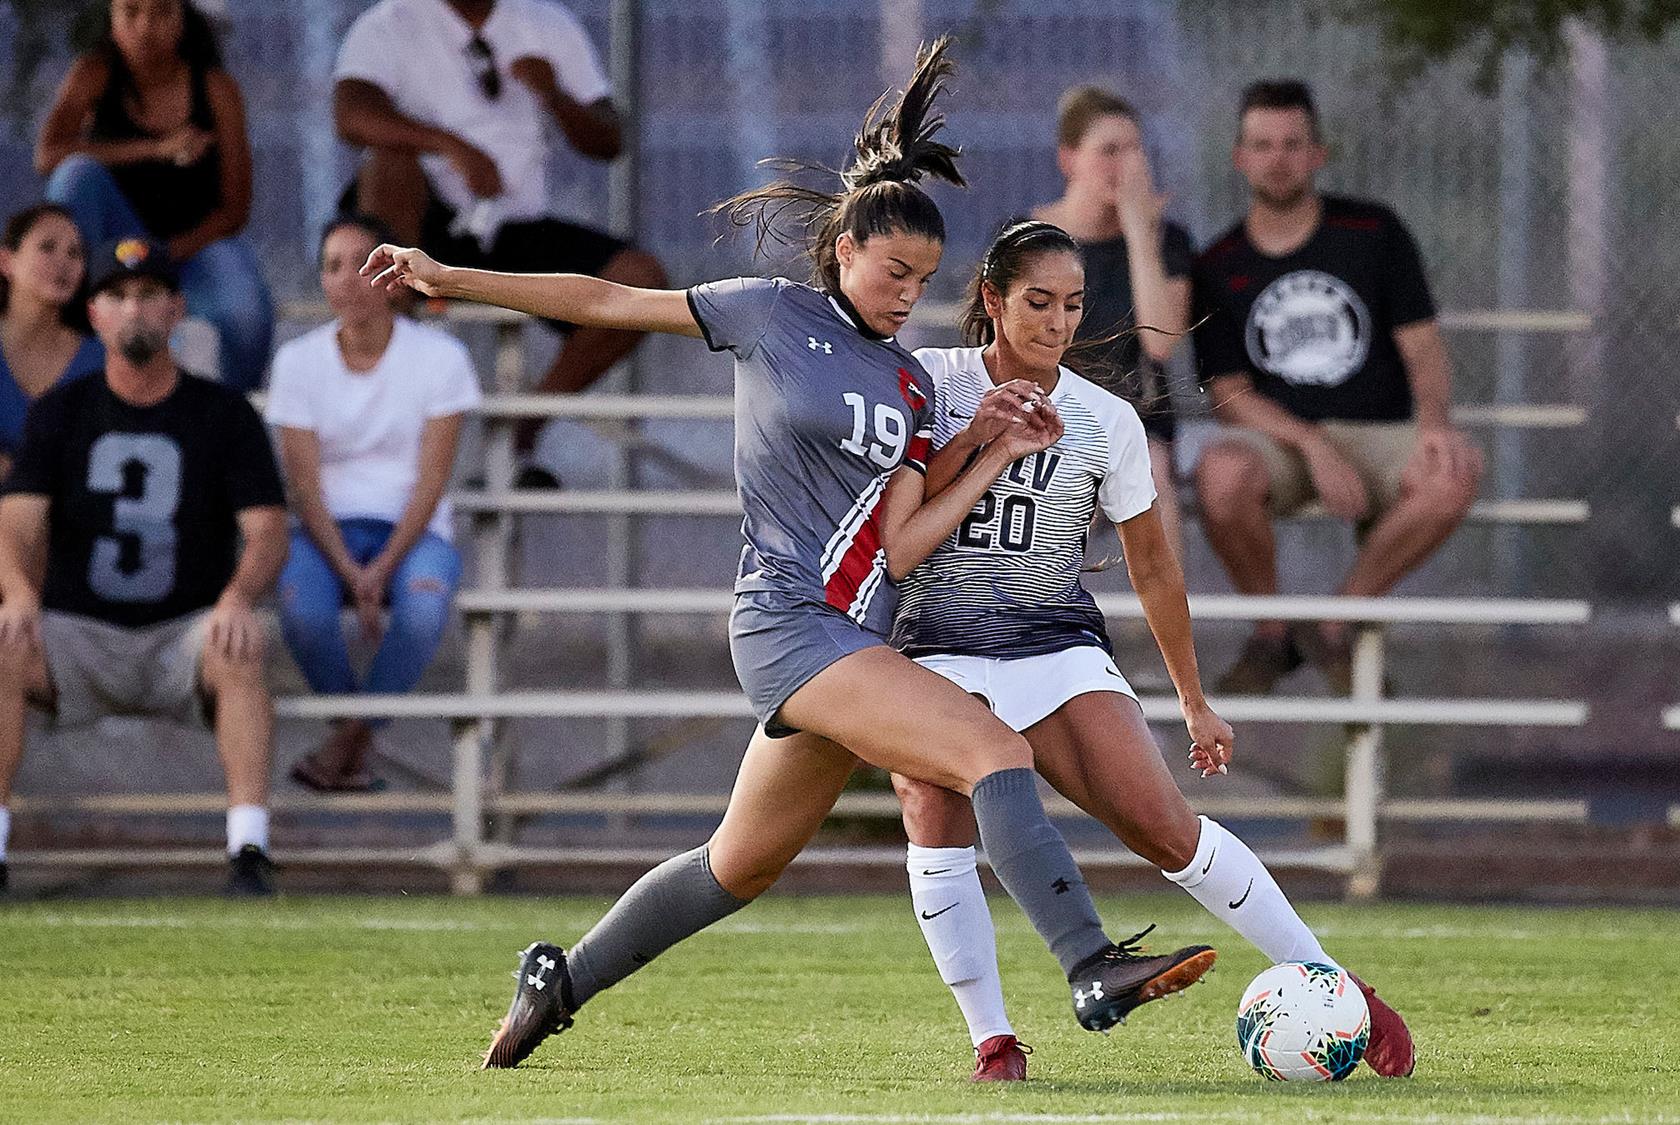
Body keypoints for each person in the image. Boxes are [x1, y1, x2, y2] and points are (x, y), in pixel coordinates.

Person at [363, 39, 1216, 1068]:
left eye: (923, 280)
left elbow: (903, 544)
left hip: (852, 639)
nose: (906, 295)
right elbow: (606, 302)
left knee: (738, 866)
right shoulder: (769, 314)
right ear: (844, 250)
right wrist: (451, 276)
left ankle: (560, 977)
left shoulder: (910, 383)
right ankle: (1087, 961)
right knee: (994, 751)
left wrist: (988, 450)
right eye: (893, 272)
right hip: (786, 621)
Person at [888, 220, 1417, 1083]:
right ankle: (995, 1042)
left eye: (1072, 304)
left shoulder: (1105, 419)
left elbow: (1154, 566)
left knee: (1166, 826)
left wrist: (1194, 700)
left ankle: (1334, 980)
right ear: (990, 299)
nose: (1058, 322)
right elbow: (893, 520)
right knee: (933, 818)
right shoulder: (929, 381)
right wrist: (980, 436)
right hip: (934, 646)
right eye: (1037, 302)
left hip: (1053, 644)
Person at [0, 236, 286, 896]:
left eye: (150, 294)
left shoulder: (224, 413)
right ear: (94, 313)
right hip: (78, 632)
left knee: (241, 646)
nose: (134, 309)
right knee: (3, 646)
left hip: (186, 629)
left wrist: (238, 597)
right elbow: (14, 521)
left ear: (177, 309)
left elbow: (268, 530)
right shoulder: (60, 411)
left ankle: (249, 850)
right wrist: (16, 592)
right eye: (118, 295)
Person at [1190, 80, 1482, 695]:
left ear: (1318, 153)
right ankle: (1271, 636)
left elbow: (1423, 345)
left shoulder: (1373, 231)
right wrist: (1314, 446)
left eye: (1292, 144)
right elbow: (1229, 396)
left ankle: (1333, 626)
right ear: (1240, 157)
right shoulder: (1218, 264)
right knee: (1220, 474)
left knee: (1453, 472)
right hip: (1283, 443)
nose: (1278, 158)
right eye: (1262, 145)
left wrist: (1435, 424)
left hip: (1379, 430)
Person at [331, 0, 670, 487]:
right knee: (389, 164)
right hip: (425, 228)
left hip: (516, 225)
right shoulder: (392, 21)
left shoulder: (546, 23)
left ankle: (519, 436)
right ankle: (388, 381)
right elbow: (350, 116)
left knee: (641, 281)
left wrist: (555, 95)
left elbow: (609, 140)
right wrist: (450, 146)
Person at [269, 215, 477, 792]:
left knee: (423, 612)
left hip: (413, 530)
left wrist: (380, 568)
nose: (346, 279)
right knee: (304, 615)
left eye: (360, 264)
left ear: (393, 276)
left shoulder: (441, 358)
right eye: (332, 266)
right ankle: (353, 742)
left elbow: (432, 479)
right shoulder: (297, 362)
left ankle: (343, 746)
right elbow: (304, 487)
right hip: (323, 532)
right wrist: (351, 571)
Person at [36, 0, 274, 393]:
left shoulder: (215, 87)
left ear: (183, 19)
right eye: (131, 12)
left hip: (194, 247)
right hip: (109, 247)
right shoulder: (95, 72)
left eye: (161, 12)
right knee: (75, 174)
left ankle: (234, 408)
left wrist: (165, 254)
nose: (145, 26)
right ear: (112, 17)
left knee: (243, 310)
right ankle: (68, 328)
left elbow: (234, 210)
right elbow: (49, 155)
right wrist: (155, 149)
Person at [1031, 86, 1194, 551]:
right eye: (1109, 151)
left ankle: (1166, 602)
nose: (1124, 165)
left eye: (1134, 150)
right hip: (1048, 411)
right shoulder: (1029, 239)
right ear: (1069, 159)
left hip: (1138, 419)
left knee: (1151, 477)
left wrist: (1139, 233)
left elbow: (1161, 342)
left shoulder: (1166, 240)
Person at [0, 205, 105, 474]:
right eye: (47, 247)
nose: (63, 263)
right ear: (6, 261)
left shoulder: (102, 360)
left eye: (75, 253)